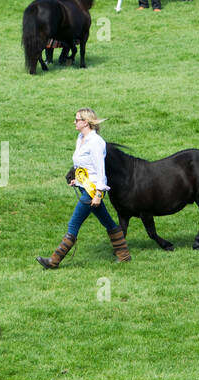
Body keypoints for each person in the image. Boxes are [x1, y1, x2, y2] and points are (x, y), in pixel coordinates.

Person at [36, 108, 132, 268]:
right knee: (108, 222)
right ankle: (124, 254)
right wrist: (77, 179)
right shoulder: (81, 137)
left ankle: (54, 261)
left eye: (77, 119)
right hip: (84, 186)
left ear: (85, 122)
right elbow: (82, 165)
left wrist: (98, 194)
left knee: (73, 225)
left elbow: (100, 170)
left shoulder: (95, 142)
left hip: (92, 191)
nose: (74, 122)